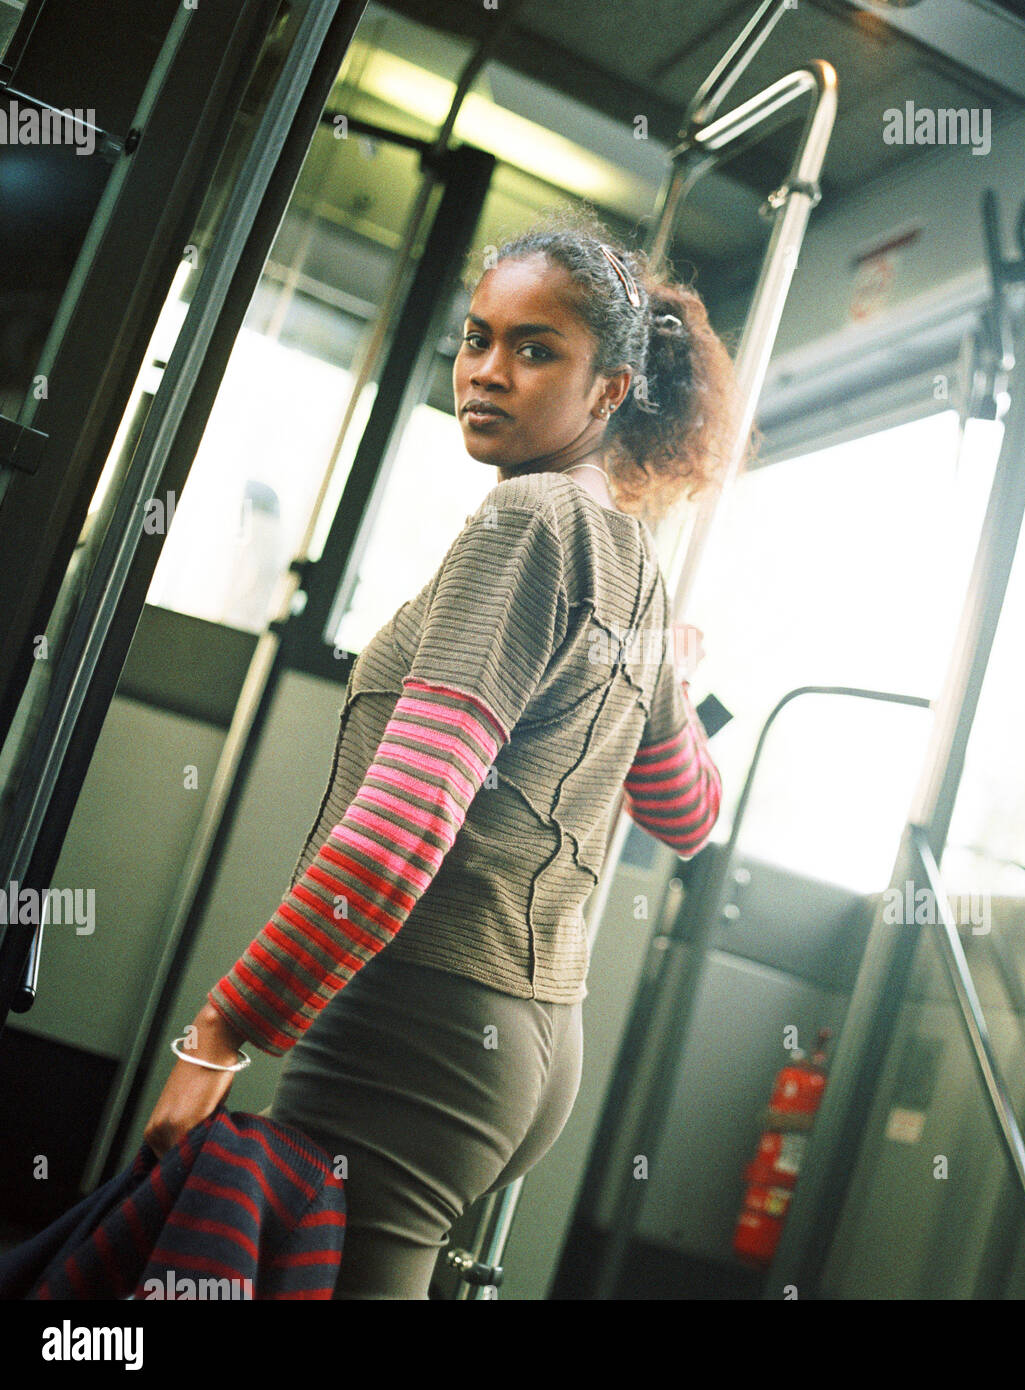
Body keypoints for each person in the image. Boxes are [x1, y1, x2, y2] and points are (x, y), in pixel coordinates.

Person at [141, 208, 740, 1298]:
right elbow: (687, 814)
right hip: (532, 1041)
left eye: (535, 347)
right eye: (477, 337)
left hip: (415, 1023)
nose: (488, 370)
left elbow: (401, 833)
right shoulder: (637, 563)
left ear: (610, 389)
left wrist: (222, 1030)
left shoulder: (524, 526)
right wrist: (679, 685)